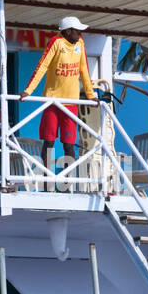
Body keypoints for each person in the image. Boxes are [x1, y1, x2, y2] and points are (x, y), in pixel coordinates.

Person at [21, 16, 97, 182]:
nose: (80, 34)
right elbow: (42, 67)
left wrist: (91, 95)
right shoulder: (56, 42)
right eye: (77, 31)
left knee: (68, 144)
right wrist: (28, 91)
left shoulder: (80, 44)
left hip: (71, 104)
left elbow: (84, 70)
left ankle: (67, 183)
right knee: (49, 142)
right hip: (52, 102)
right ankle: (47, 181)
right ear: (68, 31)